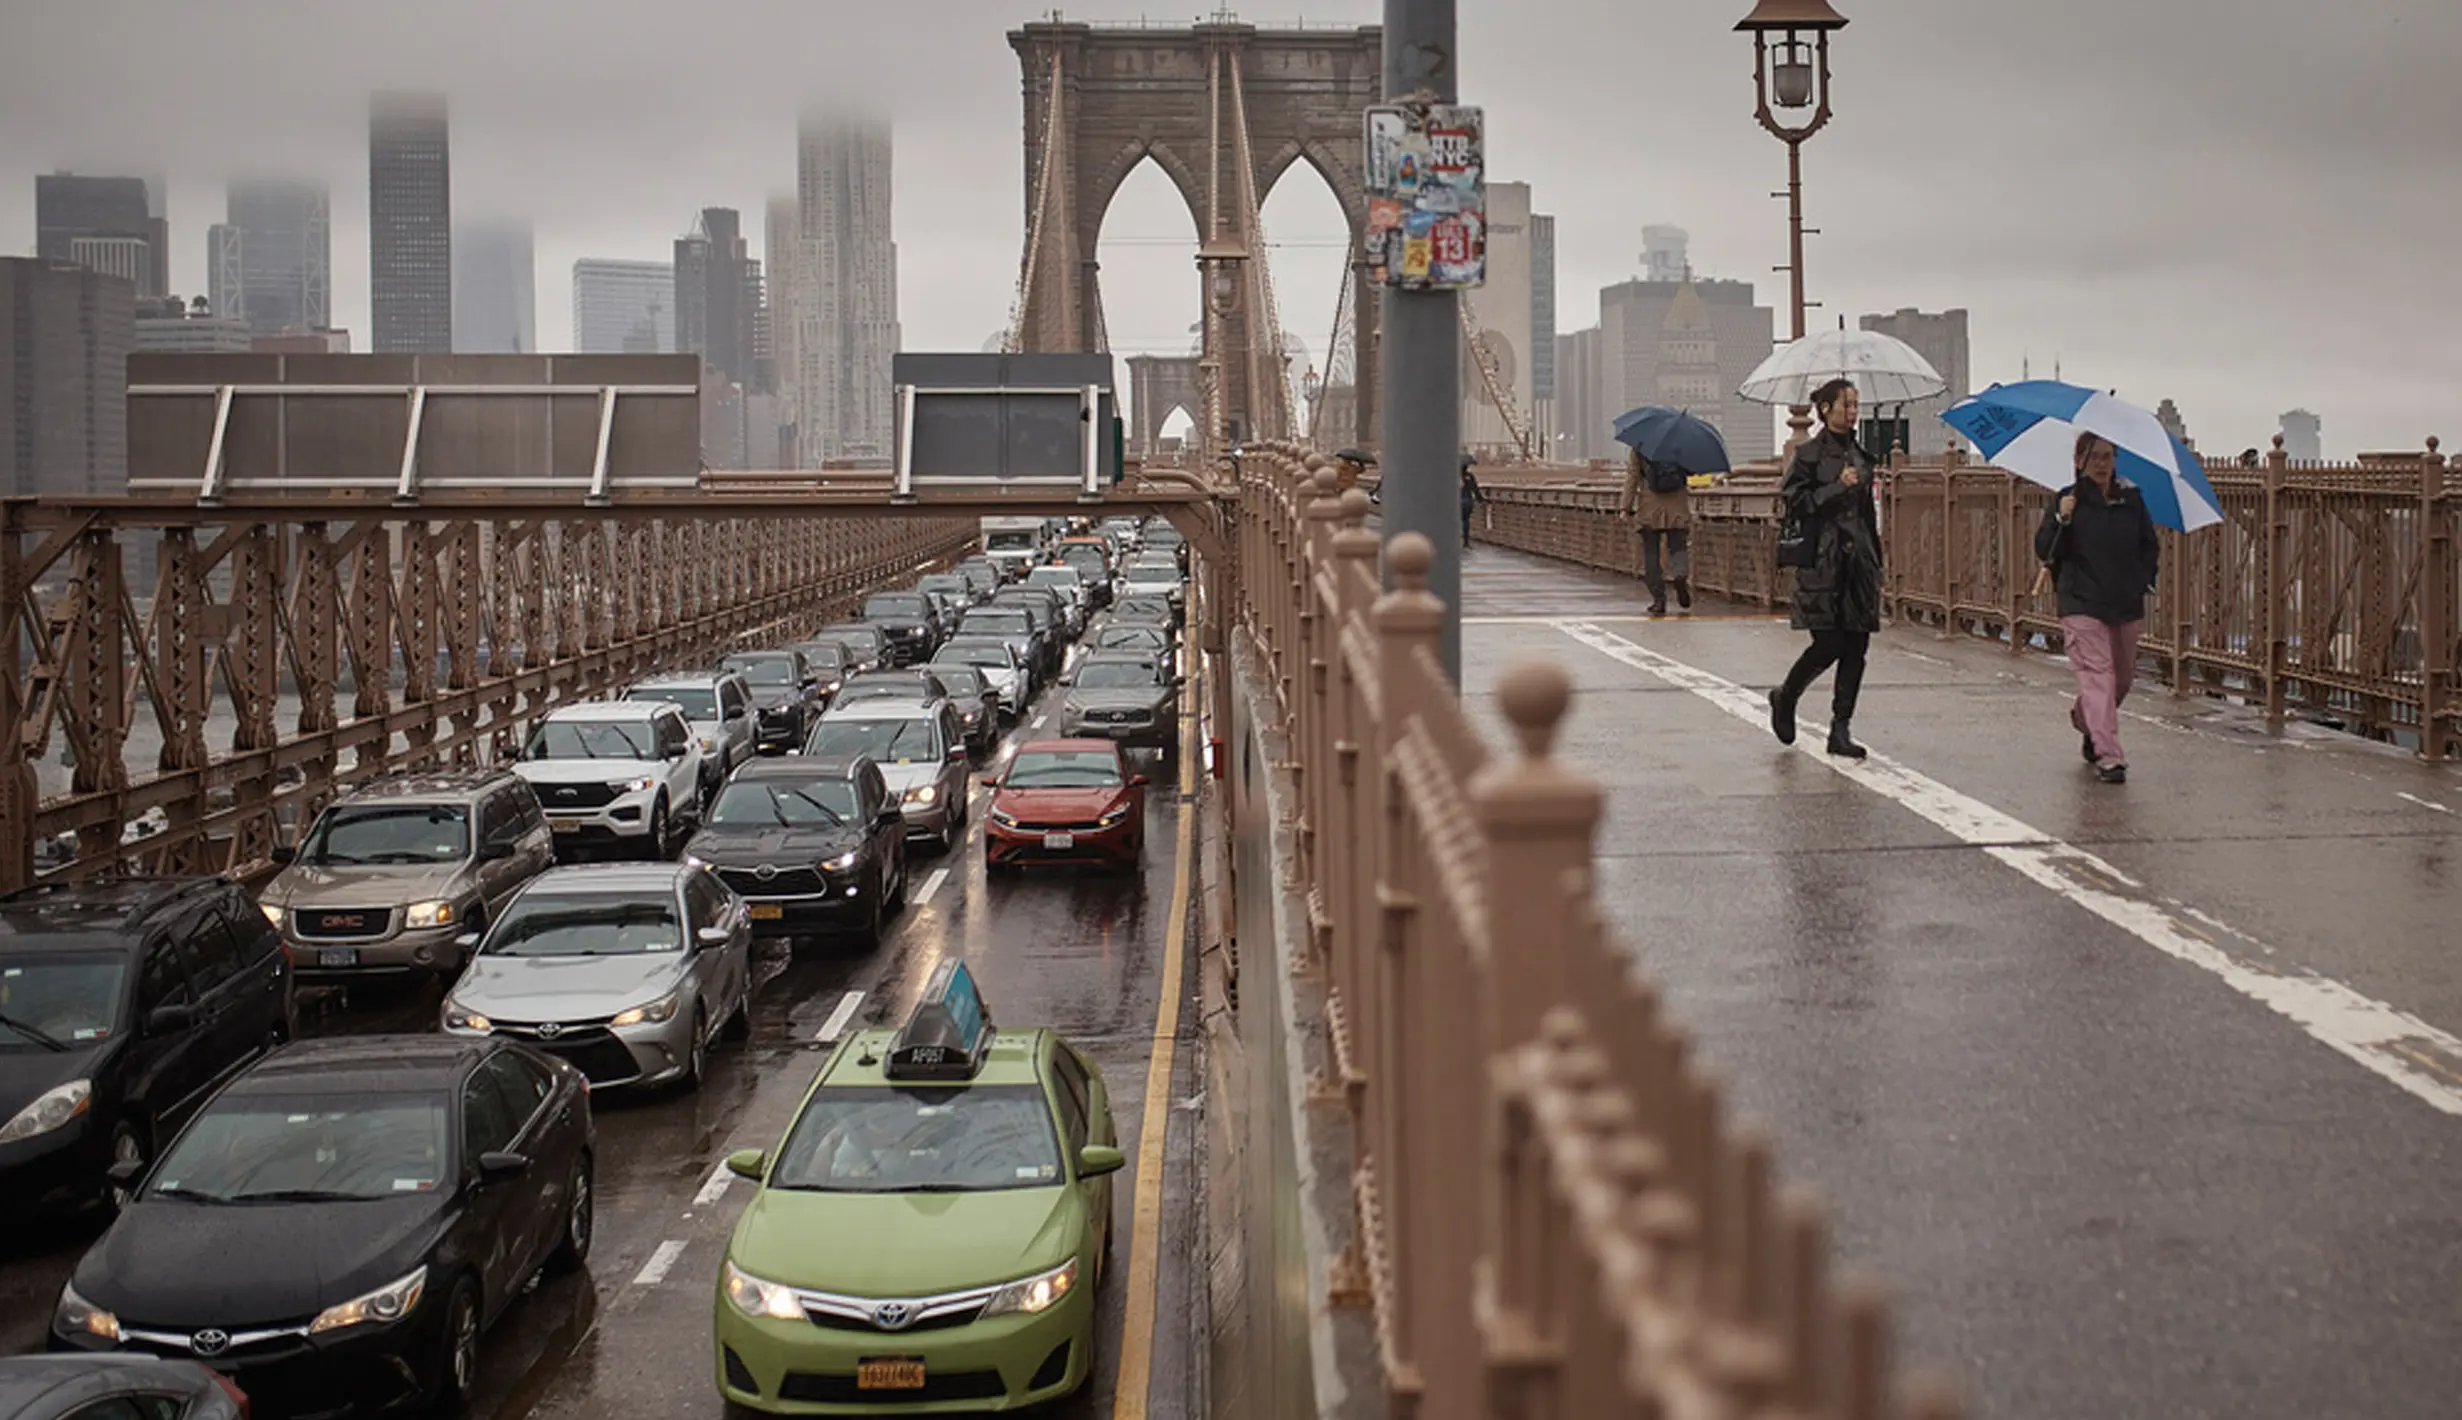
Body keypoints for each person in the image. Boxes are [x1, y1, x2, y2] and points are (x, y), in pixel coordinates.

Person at [2034, 432, 2159, 784]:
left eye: (2108, 456)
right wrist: (2060, 519)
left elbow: (2149, 545)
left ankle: (2087, 718)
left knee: (2122, 678)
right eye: (2094, 458)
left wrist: (2142, 579)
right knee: (2097, 675)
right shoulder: (2068, 500)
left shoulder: (2131, 499)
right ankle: (2109, 754)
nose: (2102, 464)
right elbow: (2045, 548)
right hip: (2081, 601)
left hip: (2124, 601)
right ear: (2079, 462)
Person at [1768, 378, 1882, 759]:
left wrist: (1876, 561)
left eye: (1855, 405)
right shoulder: (1809, 456)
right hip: (1823, 562)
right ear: (1826, 409)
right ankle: (1787, 696)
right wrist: (1836, 487)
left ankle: (1841, 728)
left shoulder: (1862, 457)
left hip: (1858, 564)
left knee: (1857, 647)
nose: (1852, 412)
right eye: (1846, 405)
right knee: (1829, 643)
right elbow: (1794, 502)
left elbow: (1867, 517)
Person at [1618, 448, 1693, 615]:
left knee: (1651, 553)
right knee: (1678, 548)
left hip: (1649, 506)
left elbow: (1633, 477)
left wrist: (1625, 507)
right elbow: (1691, 471)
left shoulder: (1640, 446)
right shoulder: (1681, 443)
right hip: (1678, 505)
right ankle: (1680, 576)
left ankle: (1659, 600)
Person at [1458, 455, 1485, 545]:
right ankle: (1466, 541)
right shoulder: (1470, 476)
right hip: (1468, 501)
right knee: (1466, 520)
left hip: (1457, 501)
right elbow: (1475, 489)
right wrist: (1481, 500)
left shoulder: (1455, 477)